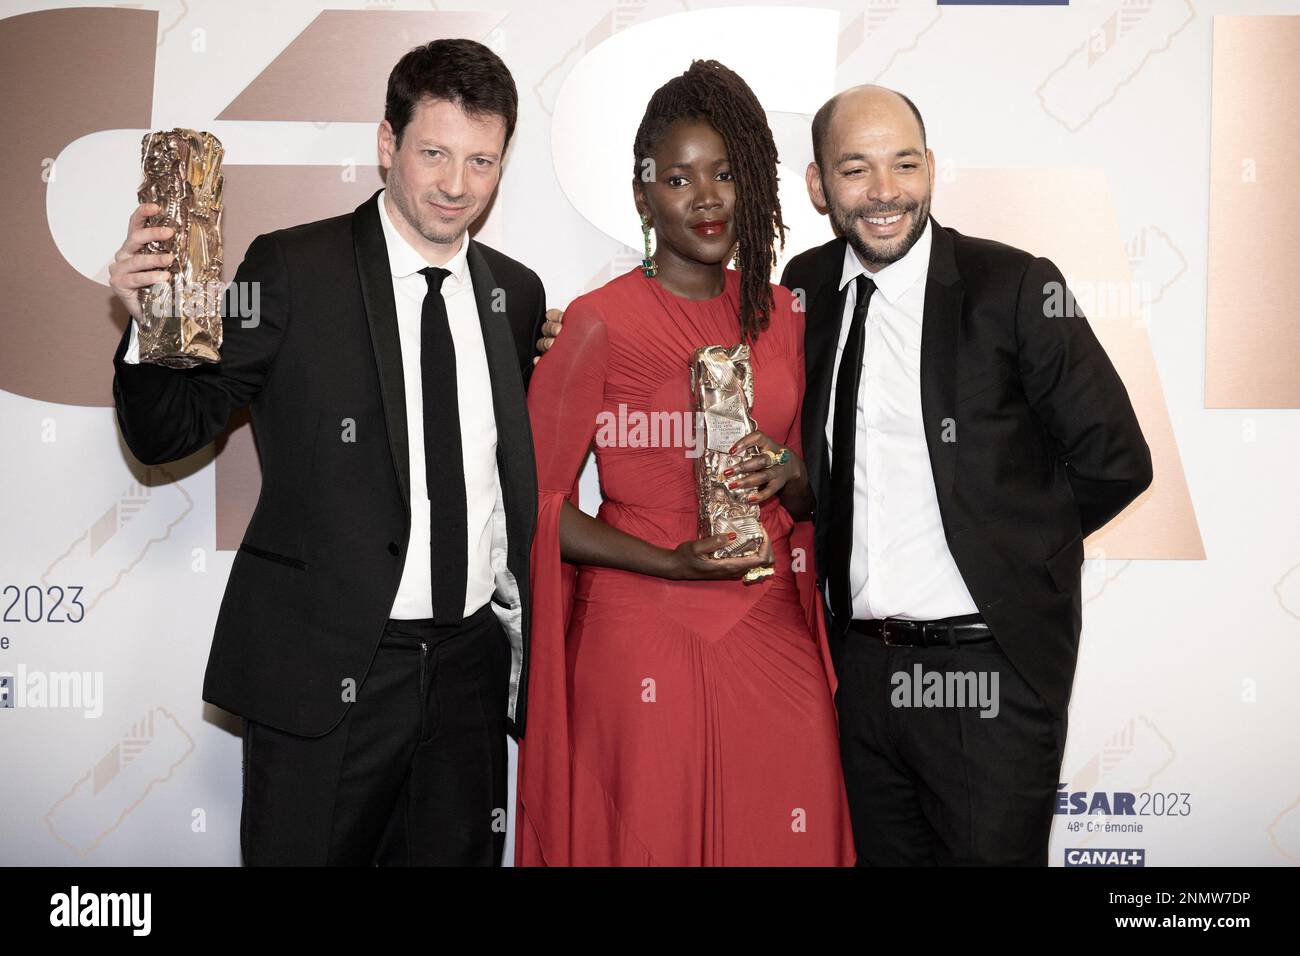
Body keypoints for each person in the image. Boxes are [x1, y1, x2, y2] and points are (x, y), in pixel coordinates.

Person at [538, 84, 1153, 866]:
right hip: (854, 673)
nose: (884, 191)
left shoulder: (1015, 287)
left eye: (903, 164)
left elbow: (1117, 463)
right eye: (856, 169)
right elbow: (806, 474)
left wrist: (1009, 556)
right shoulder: (806, 291)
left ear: (930, 168)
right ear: (819, 188)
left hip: (981, 675)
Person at [109, 39, 545, 865]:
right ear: (387, 144)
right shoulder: (292, 269)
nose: (457, 185)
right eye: (434, 153)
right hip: (328, 678)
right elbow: (168, 428)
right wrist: (144, 328)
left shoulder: (514, 295)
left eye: (481, 160)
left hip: (466, 680)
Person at [516, 60, 854, 866]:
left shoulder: (788, 318)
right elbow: (537, 508)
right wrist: (669, 562)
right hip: (639, 625)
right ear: (643, 197)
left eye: (725, 173)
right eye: (677, 178)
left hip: (768, 619)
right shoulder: (595, 324)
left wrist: (791, 473)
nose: (705, 198)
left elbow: (816, 488)